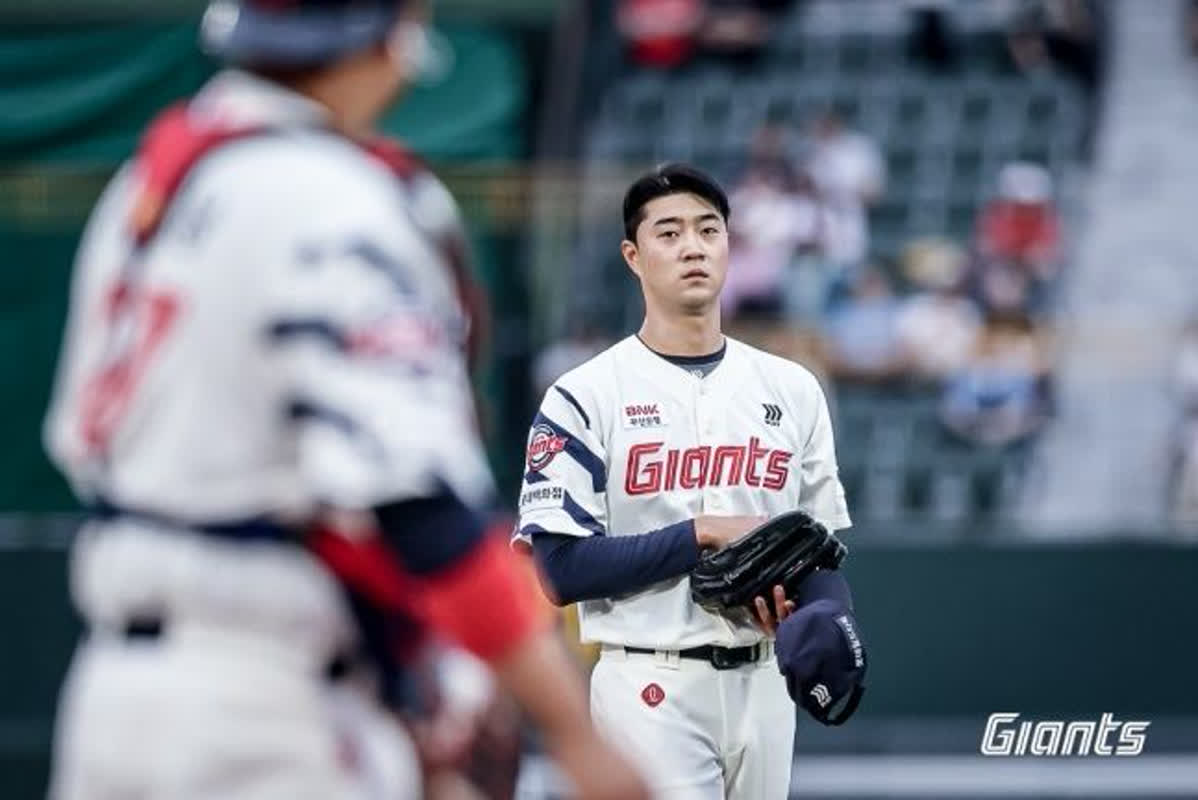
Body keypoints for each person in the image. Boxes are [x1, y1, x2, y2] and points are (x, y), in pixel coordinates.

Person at [41, 1, 649, 798]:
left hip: (112, 698)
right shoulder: (330, 197)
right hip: (262, 714)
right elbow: (425, 516)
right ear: (393, 40)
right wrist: (577, 736)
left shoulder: (151, 184)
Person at [513, 163, 856, 799]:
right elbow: (561, 571)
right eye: (668, 233)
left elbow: (820, 550)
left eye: (709, 229)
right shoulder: (584, 396)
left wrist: (830, 615)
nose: (693, 246)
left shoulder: (793, 388)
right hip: (650, 684)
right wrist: (701, 531)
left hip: (763, 683)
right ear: (633, 255)